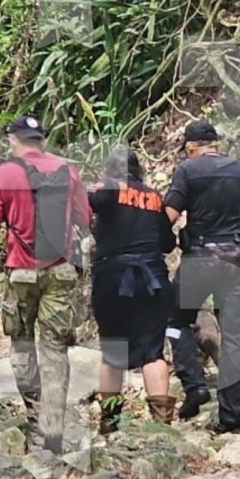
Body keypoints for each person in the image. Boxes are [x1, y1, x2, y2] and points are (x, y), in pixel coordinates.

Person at [0, 115, 91, 453]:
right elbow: (85, 218)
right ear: (41, 140)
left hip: (21, 273)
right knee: (55, 349)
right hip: (62, 272)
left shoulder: (2, 176)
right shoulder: (68, 172)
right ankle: (54, 427)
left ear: (13, 140)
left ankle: (36, 417)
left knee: (21, 345)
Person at [162, 120, 240, 434]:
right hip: (239, 261)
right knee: (233, 339)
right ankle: (231, 417)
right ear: (215, 143)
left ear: (191, 147)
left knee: (175, 322)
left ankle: (194, 384)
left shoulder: (188, 170)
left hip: (200, 261)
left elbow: (169, 215)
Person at [86, 148, 178, 434]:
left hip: (113, 280)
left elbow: (84, 204)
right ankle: (161, 428)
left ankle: (110, 423)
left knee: (113, 352)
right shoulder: (153, 197)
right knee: (153, 351)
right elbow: (167, 243)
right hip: (152, 279)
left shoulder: (109, 189)